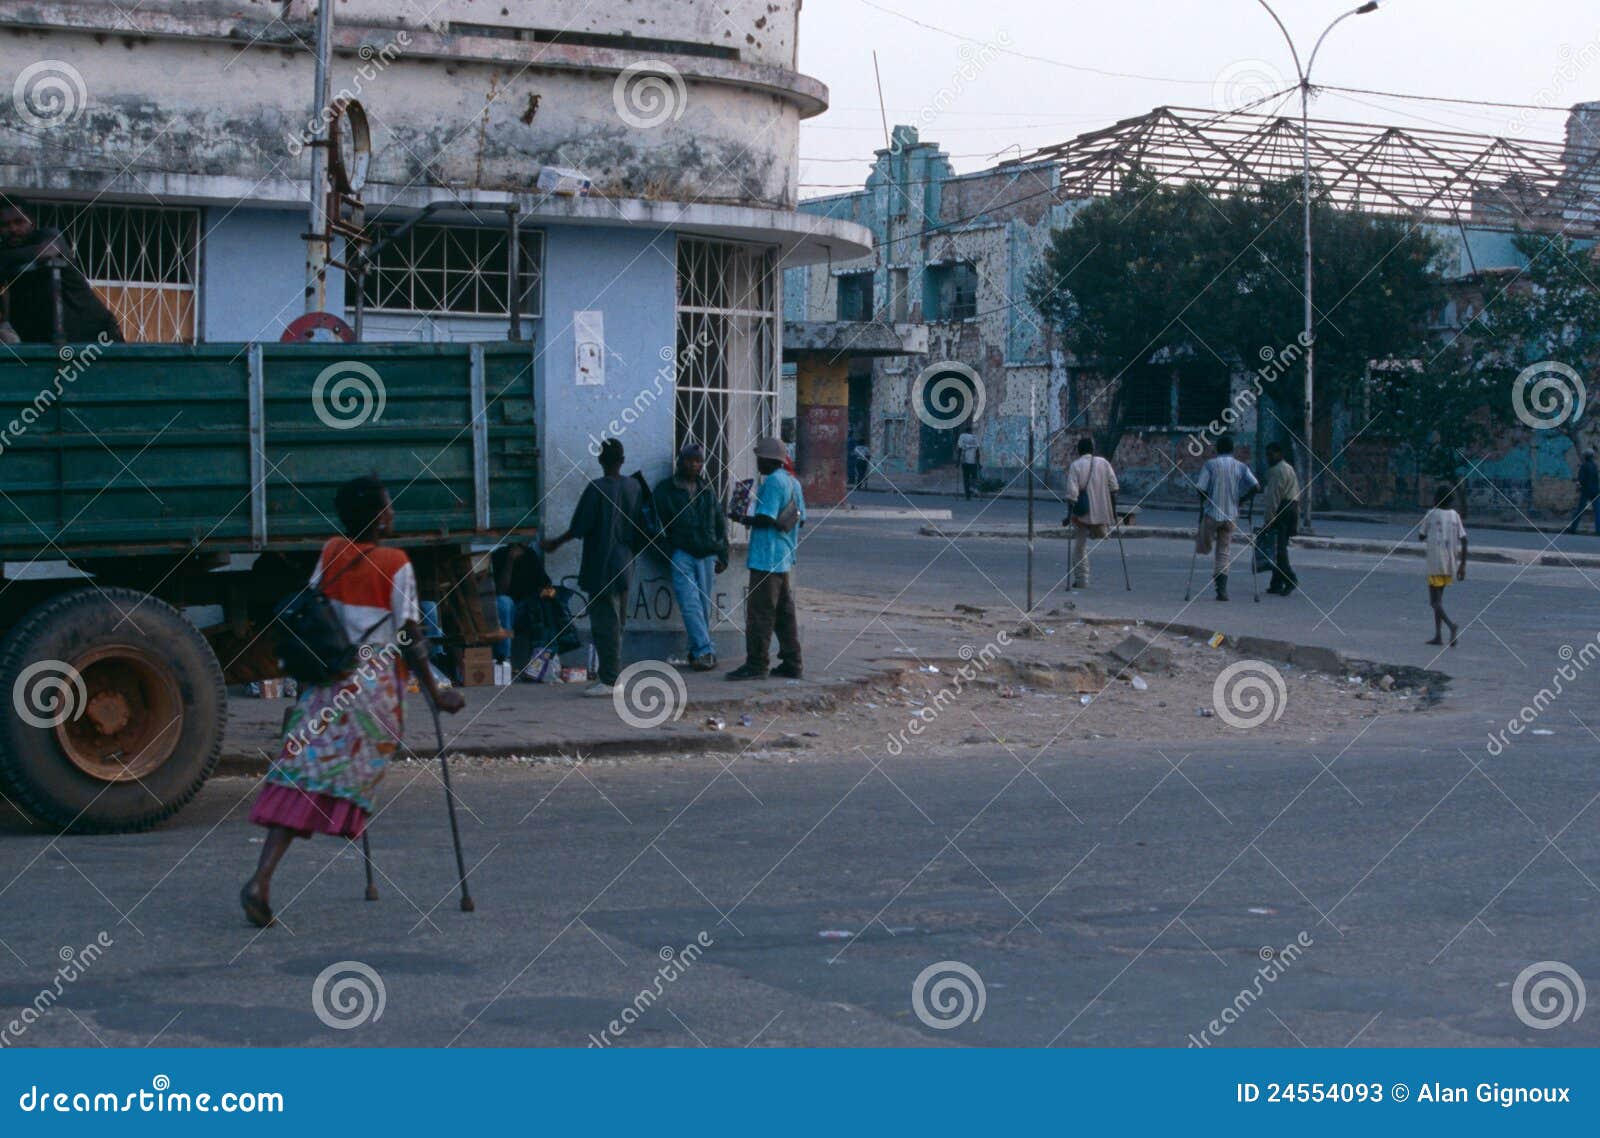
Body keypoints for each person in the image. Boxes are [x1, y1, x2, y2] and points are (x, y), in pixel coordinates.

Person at [241, 475, 465, 929]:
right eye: (388, 507)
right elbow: (409, 634)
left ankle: (261, 878)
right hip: (372, 689)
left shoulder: (331, 551)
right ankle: (336, 818)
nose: (393, 514)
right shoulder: (396, 562)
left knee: (300, 776)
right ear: (380, 518)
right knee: (345, 772)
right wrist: (437, 692)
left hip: (328, 681)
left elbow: (319, 606)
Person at [541, 438, 647, 695]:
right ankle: (612, 675)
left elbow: (579, 528)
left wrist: (555, 543)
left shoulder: (597, 489)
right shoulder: (634, 486)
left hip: (601, 566)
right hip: (625, 564)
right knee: (618, 622)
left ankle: (610, 679)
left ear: (600, 461)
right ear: (622, 461)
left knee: (604, 623)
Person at [728, 436, 806, 681]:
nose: (758, 463)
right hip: (784, 557)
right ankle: (792, 661)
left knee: (760, 614)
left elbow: (765, 517)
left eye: (759, 458)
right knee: (784, 614)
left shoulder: (772, 482)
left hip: (766, 558)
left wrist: (740, 517)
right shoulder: (793, 483)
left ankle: (757, 664)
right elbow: (800, 519)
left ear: (767, 459)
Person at [0, 196, 123, 344]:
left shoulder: (47, 236)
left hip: (97, 336)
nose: (13, 229)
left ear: (32, 222)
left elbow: (48, 251)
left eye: (19, 222)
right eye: (5, 225)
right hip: (49, 342)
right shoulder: (7, 254)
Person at [653, 441, 730, 672]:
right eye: (690, 460)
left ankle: (696, 651)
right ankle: (706, 651)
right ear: (680, 461)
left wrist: (723, 554)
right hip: (682, 554)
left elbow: (719, 523)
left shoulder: (707, 490)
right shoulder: (665, 491)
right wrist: (668, 553)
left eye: (698, 461)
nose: (694, 465)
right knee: (690, 604)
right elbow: (654, 526)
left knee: (703, 606)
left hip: (706, 553)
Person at [1194, 436, 1259, 602]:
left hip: (1212, 513)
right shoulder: (1241, 467)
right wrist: (1242, 501)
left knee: (1203, 544)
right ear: (1232, 450)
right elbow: (1256, 486)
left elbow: (1200, 488)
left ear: (1217, 449)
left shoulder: (1210, 465)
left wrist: (1204, 501)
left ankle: (1205, 548)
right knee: (1224, 552)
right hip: (1231, 514)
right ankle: (1221, 589)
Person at [1061, 437, 1119, 589]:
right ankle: (1102, 532)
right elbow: (1114, 488)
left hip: (1082, 513)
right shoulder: (1104, 463)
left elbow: (1072, 494)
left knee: (1080, 547)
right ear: (1093, 449)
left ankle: (1082, 579)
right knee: (1098, 534)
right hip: (1101, 512)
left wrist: (1068, 516)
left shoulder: (1076, 465)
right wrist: (1113, 513)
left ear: (1079, 451)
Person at [1420, 486, 1467, 647]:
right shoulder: (1455, 516)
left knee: (1434, 602)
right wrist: (1462, 566)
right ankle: (1438, 636)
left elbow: (1421, 536)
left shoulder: (1431, 514)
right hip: (1450, 564)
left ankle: (1451, 625)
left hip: (1435, 563)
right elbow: (1465, 540)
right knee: (1439, 601)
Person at [1260, 442, 1301, 596]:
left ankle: (1290, 578)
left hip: (1282, 509)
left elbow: (1273, 497)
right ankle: (1276, 583)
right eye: (1268, 455)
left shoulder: (1277, 471)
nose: (1269, 458)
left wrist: (1268, 520)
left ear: (1279, 454)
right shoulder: (1288, 467)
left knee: (1278, 549)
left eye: (1271, 454)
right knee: (1279, 545)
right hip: (1292, 507)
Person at [1570, 452, 1599, 536]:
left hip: (1586, 491)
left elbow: (1580, 480)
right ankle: (1598, 531)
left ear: (1585, 457)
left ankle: (1573, 528)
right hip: (1595, 491)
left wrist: (1577, 486)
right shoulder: (1595, 466)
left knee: (1579, 510)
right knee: (1597, 511)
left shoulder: (1584, 466)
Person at [957, 428, 981, 499]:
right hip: (973, 462)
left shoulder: (962, 437)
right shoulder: (975, 438)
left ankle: (968, 495)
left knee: (966, 478)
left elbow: (960, 449)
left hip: (965, 461)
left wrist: (958, 461)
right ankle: (973, 489)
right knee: (974, 477)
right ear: (971, 432)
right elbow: (977, 452)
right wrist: (978, 463)